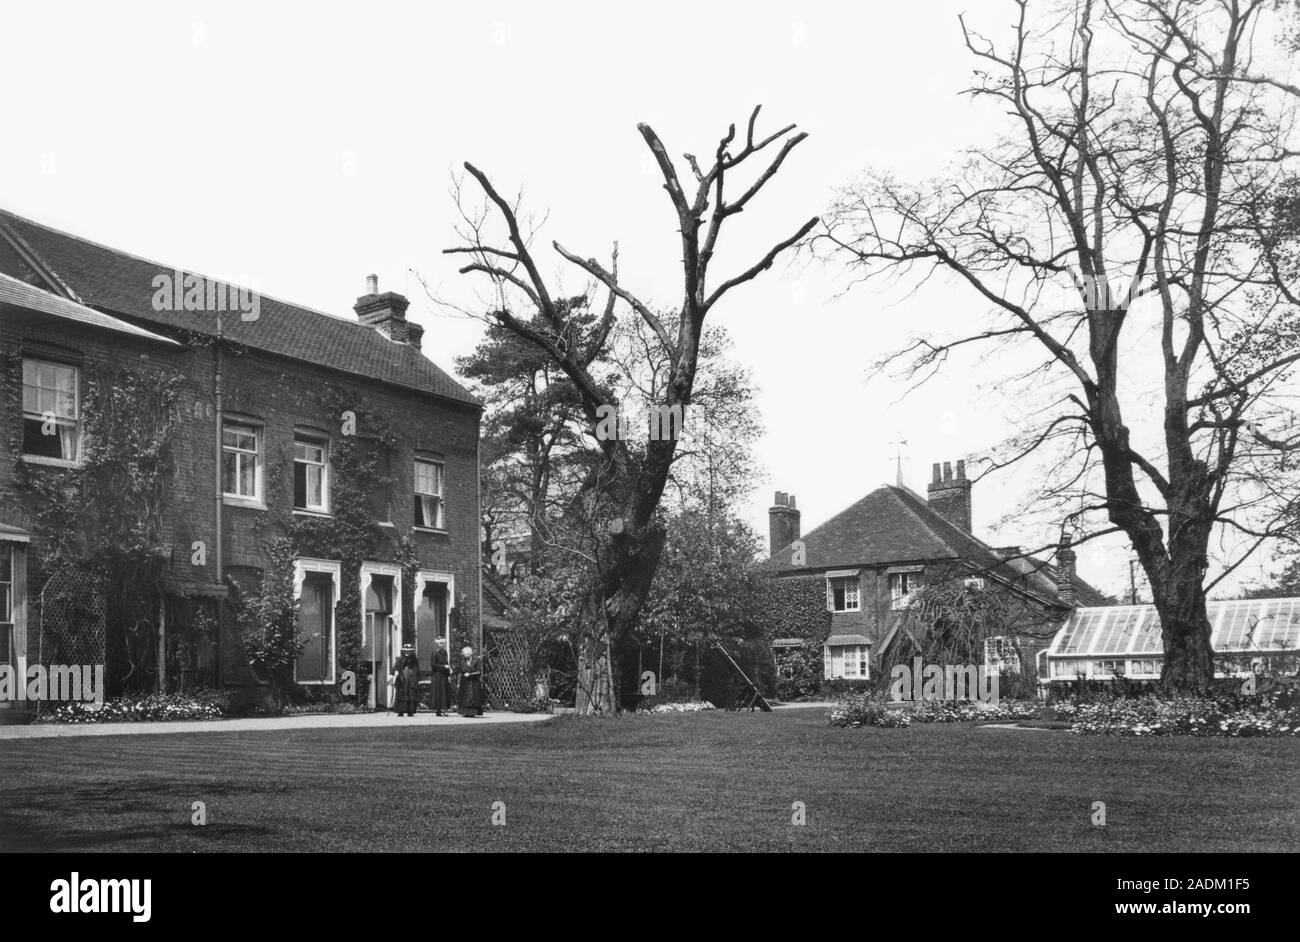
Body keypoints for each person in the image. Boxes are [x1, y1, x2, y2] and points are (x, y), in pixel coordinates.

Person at [392, 643, 421, 717]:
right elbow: (396, 667)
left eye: (409, 651)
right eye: (406, 651)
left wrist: (416, 677)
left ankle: (410, 711)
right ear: (404, 651)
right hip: (403, 679)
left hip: (411, 678)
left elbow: (417, 668)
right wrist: (396, 671)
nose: (408, 652)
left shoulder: (414, 659)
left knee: (411, 694)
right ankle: (400, 711)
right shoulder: (400, 659)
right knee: (402, 694)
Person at [456, 645, 484, 717]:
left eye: (467, 654)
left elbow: (479, 672)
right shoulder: (462, 661)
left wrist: (470, 674)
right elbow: (460, 672)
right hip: (464, 682)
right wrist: (458, 682)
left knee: (473, 697)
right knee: (465, 697)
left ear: (470, 654)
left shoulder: (476, 660)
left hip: (474, 682)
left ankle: (473, 712)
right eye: (465, 654)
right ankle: (465, 712)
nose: (466, 656)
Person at [430, 638, 452, 716]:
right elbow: (433, 665)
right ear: (437, 645)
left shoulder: (445, 652)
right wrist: (443, 667)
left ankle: (443, 709)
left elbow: (446, 662)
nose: (442, 645)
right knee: (439, 693)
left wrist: (449, 669)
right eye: (440, 644)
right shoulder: (435, 653)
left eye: (443, 644)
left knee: (444, 693)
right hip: (437, 676)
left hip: (444, 675)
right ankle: (438, 710)